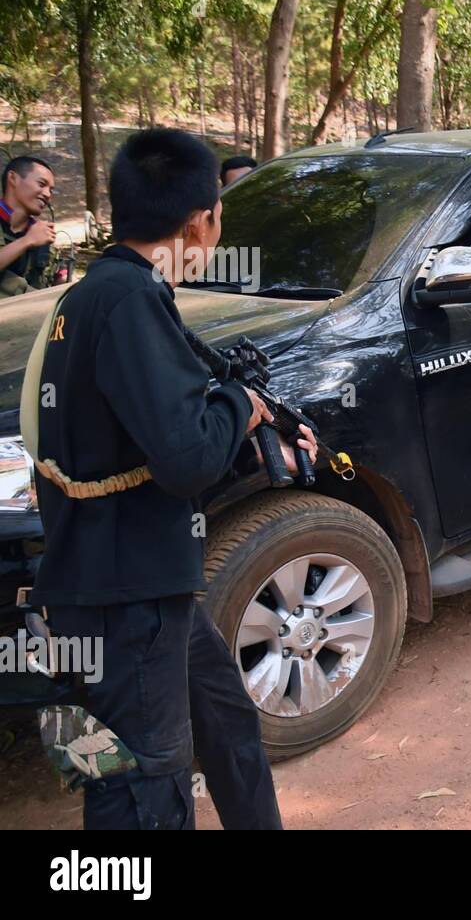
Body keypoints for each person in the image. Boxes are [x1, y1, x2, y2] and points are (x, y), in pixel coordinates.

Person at [25, 128, 317, 830]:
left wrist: (250, 420)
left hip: (137, 582)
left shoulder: (103, 290)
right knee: (141, 787)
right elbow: (185, 459)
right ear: (198, 222)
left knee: (226, 725)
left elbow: (142, 431)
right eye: (219, 218)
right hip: (126, 598)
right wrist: (240, 405)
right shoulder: (128, 303)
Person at [0, 155, 56, 296]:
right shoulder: (34, 237)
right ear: (13, 178)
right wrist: (27, 240)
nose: (47, 194)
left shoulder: (42, 238)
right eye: (41, 184)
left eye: (51, 190)